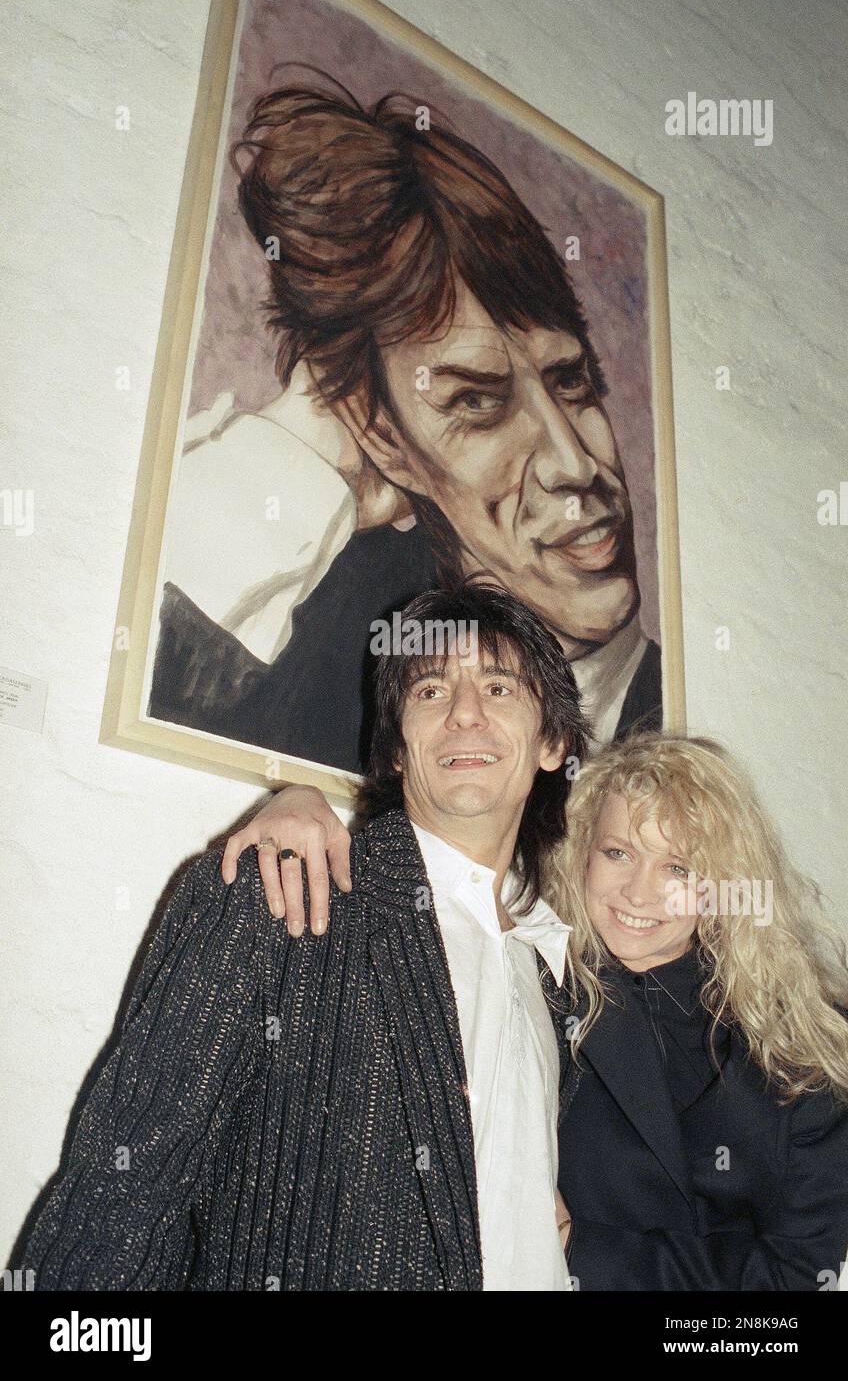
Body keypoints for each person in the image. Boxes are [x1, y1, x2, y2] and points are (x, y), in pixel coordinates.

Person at [16, 581, 589, 1291]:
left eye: (500, 688)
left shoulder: (547, 969)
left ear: (552, 742)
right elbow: (125, 1187)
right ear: (395, 754)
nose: (465, 713)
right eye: (432, 691)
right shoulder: (283, 891)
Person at [150, 74, 661, 770]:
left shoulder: (672, 718)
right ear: (383, 436)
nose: (574, 465)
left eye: (570, 382)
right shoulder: (323, 653)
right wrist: (297, 452)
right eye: (478, 403)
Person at [234, 735, 848, 1290]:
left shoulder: (801, 1052)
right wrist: (300, 800)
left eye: (677, 868)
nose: (639, 892)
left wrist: (586, 1249)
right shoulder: (533, 984)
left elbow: (800, 1276)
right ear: (583, 854)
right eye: (618, 853)